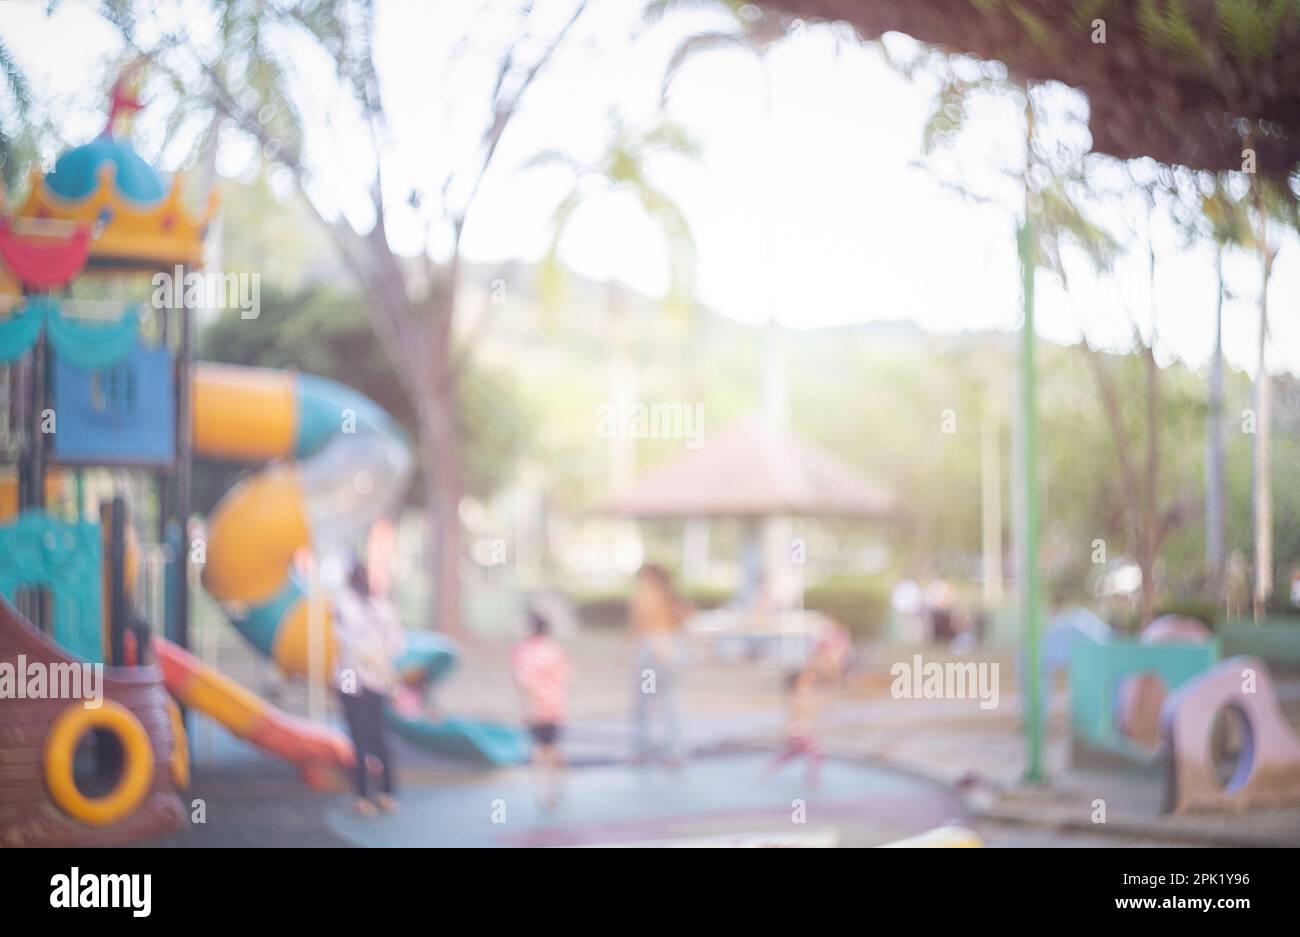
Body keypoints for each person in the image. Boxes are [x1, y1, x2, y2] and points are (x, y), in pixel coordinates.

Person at [333, 559, 405, 817]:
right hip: (364, 679)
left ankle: (373, 794)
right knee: (371, 737)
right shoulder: (364, 606)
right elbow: (394, 645)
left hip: (365, 679)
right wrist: (378, 660)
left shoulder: (370, 608)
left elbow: (393, 642)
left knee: (365, 738)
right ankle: (376, 793)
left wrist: (375, 659)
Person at [628, 563, 690, 766]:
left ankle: (641, 750)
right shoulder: (670, 597)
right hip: (671, 648)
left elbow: (638, 626)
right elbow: (685, 616)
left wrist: (630, 652)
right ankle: (673, 752)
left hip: (652, 652)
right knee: (670, 703)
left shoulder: (646, 595)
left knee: (644, 705)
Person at [510, 610, 573, 809]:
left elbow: (522, 681)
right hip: (555, 705)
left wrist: (528, 705)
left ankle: (544, 791)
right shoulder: (555, 649)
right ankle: (558, 785)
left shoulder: (523, 651)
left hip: (535, 707)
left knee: (538, 750)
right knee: (553, 747)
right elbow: (566, 677)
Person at [767, 666, 824, 788]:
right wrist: (788, 730)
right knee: (816, 752)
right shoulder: (798, 696)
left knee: (793, 753)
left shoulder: (806, 693)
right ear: (799, 681)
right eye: (806, 677)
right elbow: (795, 715)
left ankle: (772, 766)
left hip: (803, 731)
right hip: (799, 732)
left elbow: (812, 712)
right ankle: (812, 780)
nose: (810, 679)